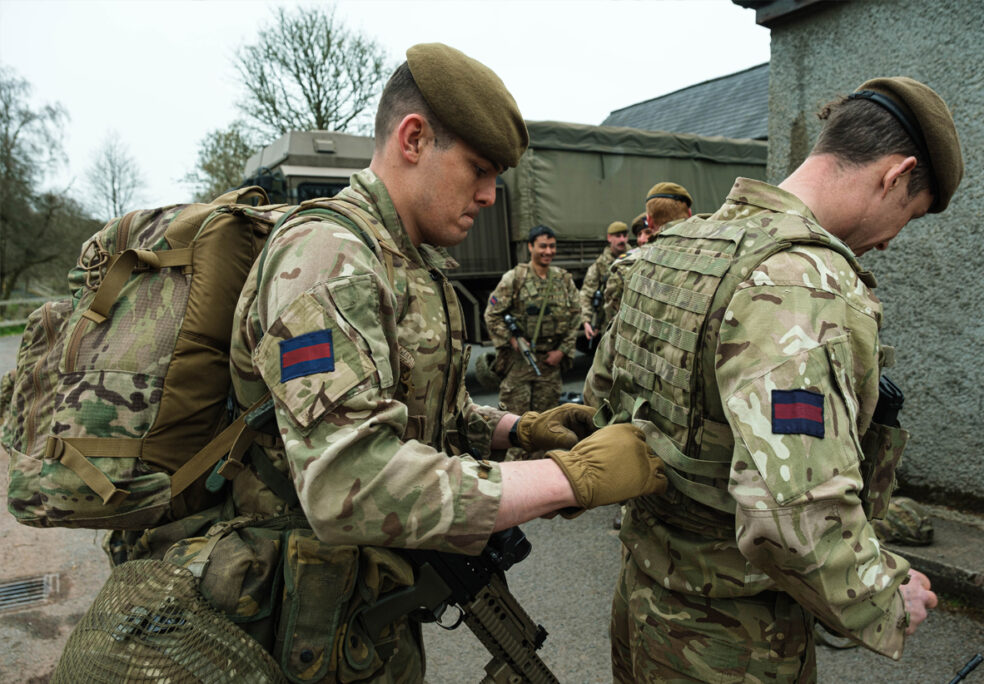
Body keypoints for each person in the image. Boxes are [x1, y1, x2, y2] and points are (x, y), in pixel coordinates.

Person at [111, 43, 665, 683]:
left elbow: (412, 416)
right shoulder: (327, 260)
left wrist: (518, 431)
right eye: (479, 169)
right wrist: (570, 479)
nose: (489, 196)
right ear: (413, 138)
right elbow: (350, 482)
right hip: (290, 627)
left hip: (355, 609)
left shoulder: (403, 258)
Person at [585, 76, 963, 682]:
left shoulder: (670, 247)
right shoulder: (797, 283)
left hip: (641, 604)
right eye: (909, 215)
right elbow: (792, 517)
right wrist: (886, 596)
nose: (892, 241)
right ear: (896, 174)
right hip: (732, 640)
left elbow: (603, 411)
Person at [484, 224, 581, 426]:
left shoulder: (564, 280)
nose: (548, 251)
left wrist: (562, 352)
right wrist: (512, 340)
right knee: (515, 425)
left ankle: (541, 458)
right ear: (530, 247)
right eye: (543, 246)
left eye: (552, 246)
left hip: (549, 364)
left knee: (546, 426)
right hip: (520, 364)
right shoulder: (515, 278)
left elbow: (575, 318)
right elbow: (492, 315)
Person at [600, 181, 693, 333]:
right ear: (689, 214)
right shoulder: (715, 257)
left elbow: (615, 326)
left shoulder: (627, 265)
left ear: (649, 221)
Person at [580, 220, 630, 341]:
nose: (622, 240)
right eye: (618, 236)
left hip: (631, 324)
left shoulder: (636, 258)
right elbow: (586, 293)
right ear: (609, 238)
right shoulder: (600, 265)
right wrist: (586, 320)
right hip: (609, 326)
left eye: (624, 236)